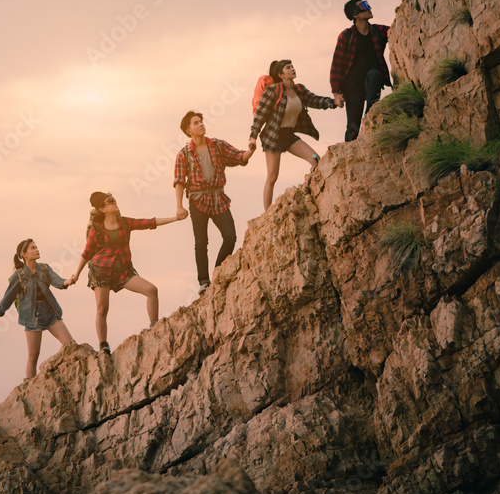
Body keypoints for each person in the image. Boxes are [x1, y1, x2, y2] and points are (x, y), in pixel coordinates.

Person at [65, 191, 182, 354]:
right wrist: (76, 275)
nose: (115, 202)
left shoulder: (125, 223)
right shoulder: (96, 228)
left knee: (151, 290)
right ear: (103, 209)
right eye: (110, 201)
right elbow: (87, 252)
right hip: (101, 271)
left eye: (114, 199)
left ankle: (154, 326)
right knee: (102, 308)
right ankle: (103, 345)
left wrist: (175, 218)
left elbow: (149, 222)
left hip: (123, 271)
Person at [173, 111, 250, 294]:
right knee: (201, 242)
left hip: (218, 197)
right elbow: (179, 181)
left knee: (230, 236)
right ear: (188, 130)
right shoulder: (184, 154)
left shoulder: (217, 145)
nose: (201, 124)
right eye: (196, 123)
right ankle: (204, 282)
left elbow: (239, 157)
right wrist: (179, 206)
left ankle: (218, 272)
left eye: (201, 121)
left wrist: (251, 149)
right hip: (197, 199)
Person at [248, 60, 339, 210]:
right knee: (272, 177)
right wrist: (252, 137)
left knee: (316, 159)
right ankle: (267, 214)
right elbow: (260, 115)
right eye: (288, 68)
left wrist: (333, 102)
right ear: (280, 75)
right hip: (273, 136)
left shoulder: (299, 90)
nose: (292, 69)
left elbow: (314, 100)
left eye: (292, 66)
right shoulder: (273, 90)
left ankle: (315, 194)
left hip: (289, 135)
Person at [0, 239, 75, 379]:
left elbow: (56, 280)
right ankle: (28, 387)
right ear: (24, 254)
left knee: (71, 345)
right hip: (32, 317)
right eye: (33, 248)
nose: (37, 249)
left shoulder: (44, 268)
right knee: (33, 356)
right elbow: (6, 300)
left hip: (50, 312)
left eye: (36, 247)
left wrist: (67, 282)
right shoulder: (19, 275)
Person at [330, 0, 392, 141]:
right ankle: (349, 157)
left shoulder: (378, 31)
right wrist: (335, 93)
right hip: (352, 86)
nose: (369, 8)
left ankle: (370, 116)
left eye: (367, 4)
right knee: (353, 127)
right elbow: (336, 65)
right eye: (364, 6)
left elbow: (397, 28)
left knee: (375, 74)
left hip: (372, 80)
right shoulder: (346, 36)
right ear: (355, 15)